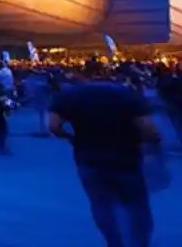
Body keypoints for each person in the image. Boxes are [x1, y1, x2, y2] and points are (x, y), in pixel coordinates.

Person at [49, 61, 166, 247]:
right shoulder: (126, 94)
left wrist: (71, 138)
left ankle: (114, 242)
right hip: (126, 158)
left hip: (89, 158)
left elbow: (54, 126)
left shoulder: (69, 96)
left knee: (101, 204)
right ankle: (140, 242)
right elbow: (149, 130)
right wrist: (150, 146)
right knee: (136, 203)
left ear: (82, 74)